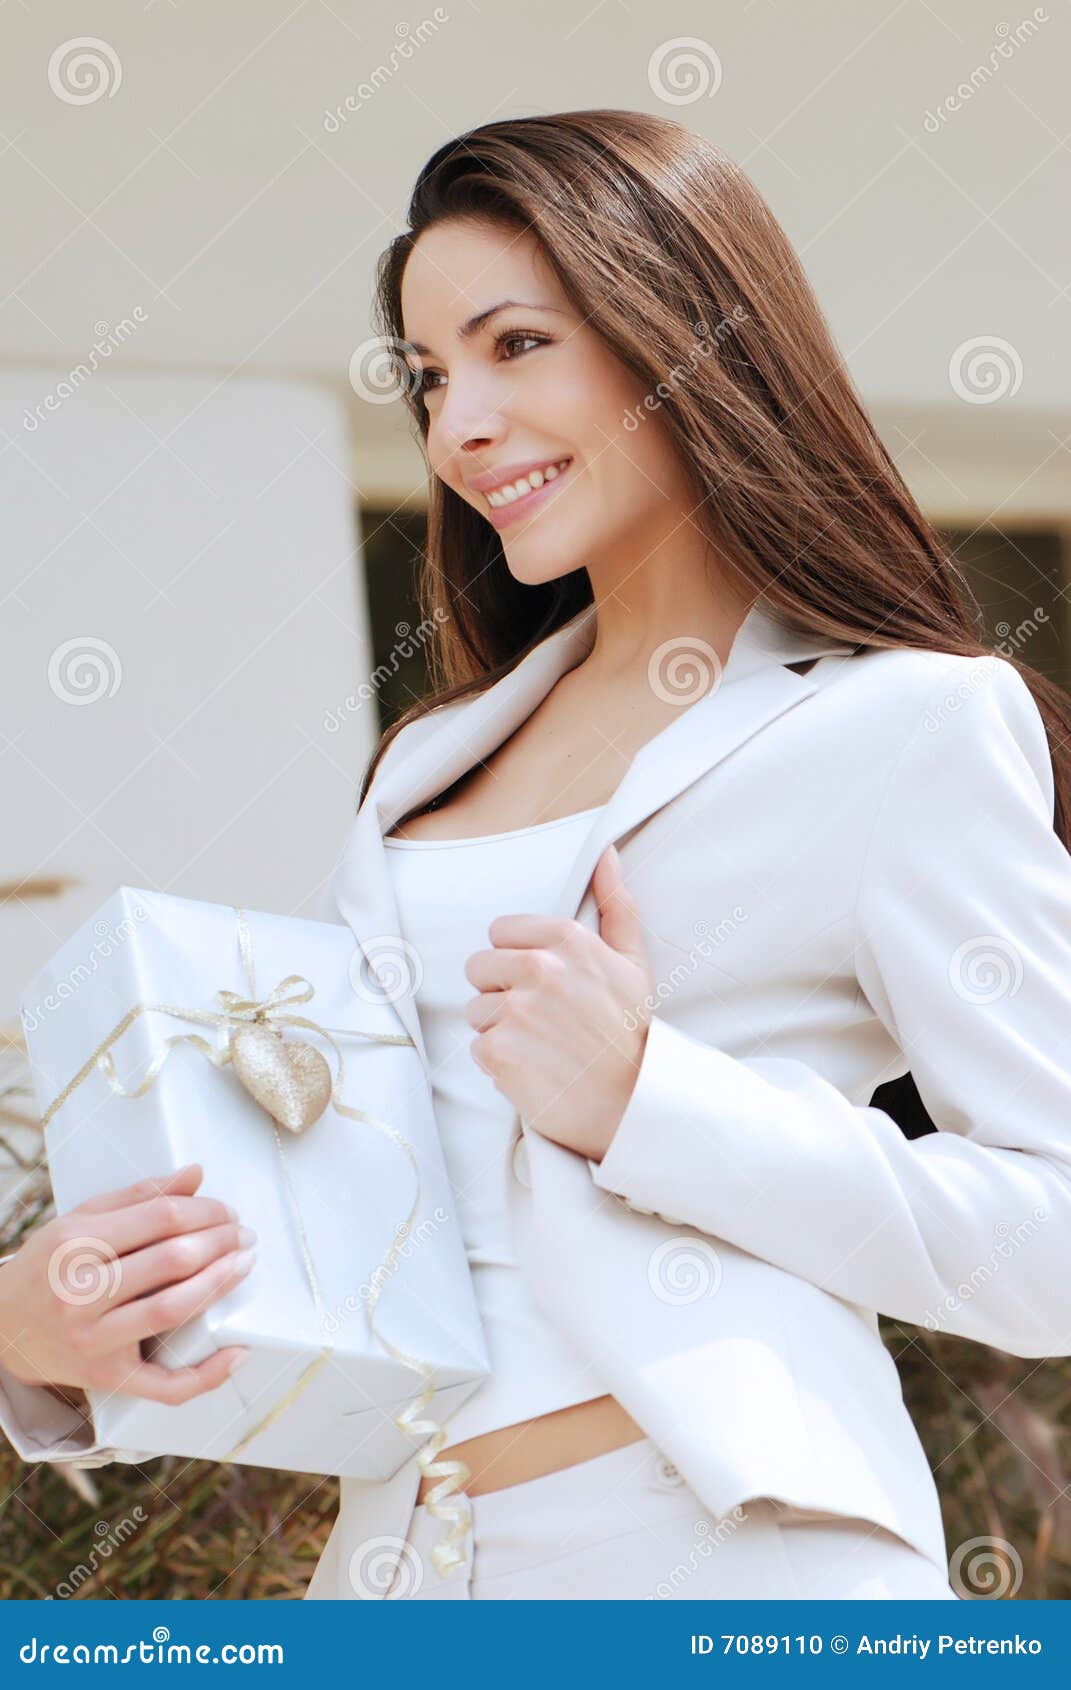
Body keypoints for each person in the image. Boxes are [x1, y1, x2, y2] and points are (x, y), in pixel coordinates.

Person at [3, 109, 1071, 1602]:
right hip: (403, 1575)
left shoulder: (907, 725)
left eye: (514, 347)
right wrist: (58, 1337)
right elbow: (327, 1219)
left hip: (734, 1565)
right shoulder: (423, 772)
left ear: (682, 334)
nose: (457, 428)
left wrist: (652, 1100)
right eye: (432, 380)